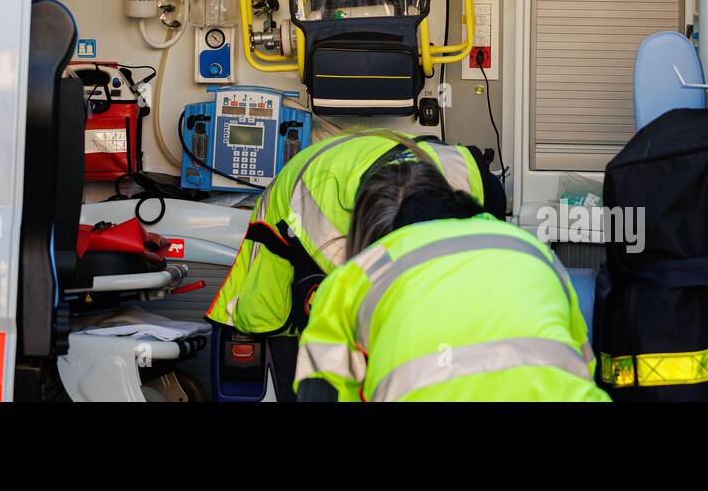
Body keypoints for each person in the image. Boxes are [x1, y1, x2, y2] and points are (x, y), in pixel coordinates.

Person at [206, 130, 505, 400]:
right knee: (277, 321)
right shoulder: (324, 238)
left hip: (378, 165)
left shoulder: (473, 187)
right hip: (302, 192)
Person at [294, 160, 608, 402]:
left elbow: (321, 393)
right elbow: (582, 364)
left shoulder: (352, 280)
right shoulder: (532, 251)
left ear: (370, 231)